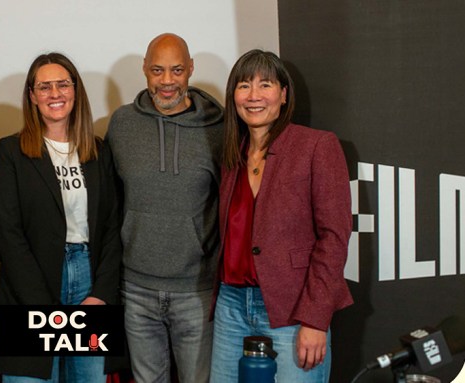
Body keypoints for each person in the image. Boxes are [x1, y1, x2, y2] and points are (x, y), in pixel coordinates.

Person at [209, 49, 353, 382]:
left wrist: (316, 319)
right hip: (231, 304)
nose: (254, 96)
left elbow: (334, 237)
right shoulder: (233, 154)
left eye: (265, 85)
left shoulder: (316, 146)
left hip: (294, 305)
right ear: (234, 96)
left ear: (284, 94)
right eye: (244, 86)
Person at [0, 52, 122, 382]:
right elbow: (8, 233)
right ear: (32, 96)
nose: (55, 93)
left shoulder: (98, 150)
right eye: (44, 86)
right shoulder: (11, 152)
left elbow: (112, 226)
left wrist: (101, 294)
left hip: (88, 280)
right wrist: (42, 305)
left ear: (75, 91)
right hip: (30, 288)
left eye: (63, 84)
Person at [105, 33, 223, 383]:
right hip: (136, 288)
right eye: (157, 70)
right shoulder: (122, 124)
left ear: (190, 69)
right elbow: (111, 202)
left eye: (176, 70)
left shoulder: (220, 128)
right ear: (145, 70)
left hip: (197, 291)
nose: (167, 81)